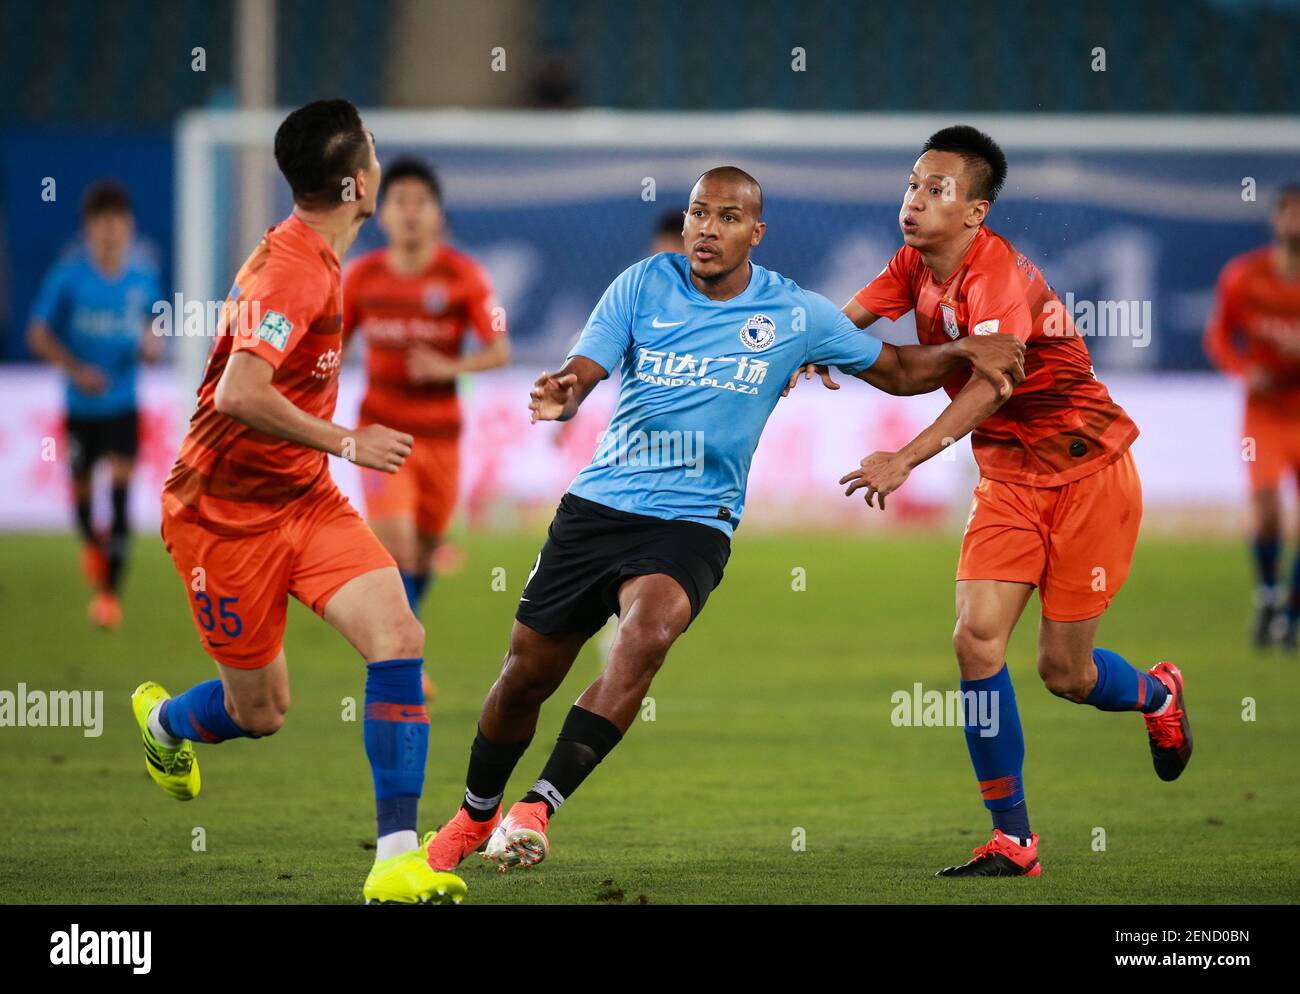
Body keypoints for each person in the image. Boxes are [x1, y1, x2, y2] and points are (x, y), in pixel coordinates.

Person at [423, 165, 1026, 874]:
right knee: (525, 676)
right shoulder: (643, 284)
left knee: (646, 636)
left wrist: (959, 351)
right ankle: (474, 812)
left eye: (728, 217)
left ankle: (538, 807)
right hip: (598, 507)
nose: (708, 229)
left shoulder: (794, 315)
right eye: (698, 214)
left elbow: (896, 368)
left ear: (755, 232)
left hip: (693, 522)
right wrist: (566, 389)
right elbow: (585, 367)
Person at [808, 125, 1192, 877]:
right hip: (1010, 481)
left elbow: (989, 387)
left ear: (976, 212)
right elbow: (841, 322)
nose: (915, 201)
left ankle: (1156, 693)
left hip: (1089, 476)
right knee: (975, 641)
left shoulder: (999, 279)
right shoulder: (911, 263)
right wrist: (790, 356)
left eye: (937, 190)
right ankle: (1013, 839)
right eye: (914, 184)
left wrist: (905, 459)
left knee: (1066, 676)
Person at [130, 100, 465, 905]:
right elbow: (244, 391)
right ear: (357, 182)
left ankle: (394, 860)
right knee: (263, 711)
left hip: (302, 499)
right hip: (221, 517)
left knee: (397, 633)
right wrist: (346, 440)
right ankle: (167, 724)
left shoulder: (317, 250)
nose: (382, 163)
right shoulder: (297, 268)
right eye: (375, 152)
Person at [342, 158, 510, 615]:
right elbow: (332, 348)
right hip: (380, 430)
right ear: (383, 213)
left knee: (423, 550)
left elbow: (500, 350)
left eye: (422, 202)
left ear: (438, 214)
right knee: (395, 545)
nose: (412, 212)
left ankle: (402, 635)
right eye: (401, 202)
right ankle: (402, 656)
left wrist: (448, 366)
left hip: (441, 435)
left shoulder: (466, 276)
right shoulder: (360, 277)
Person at [28, 181, 161, 629]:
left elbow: (153, 325)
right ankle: (90, 542)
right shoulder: (68, 276)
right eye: (101, 223)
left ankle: (108, 597)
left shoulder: (143, 276)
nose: (109, 232)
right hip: (81, 407)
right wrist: (74, 369)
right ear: (89, 228)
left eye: (117, 222)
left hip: (123, 403)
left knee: (121, 495)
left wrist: (150, 344)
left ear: (129, 226)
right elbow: (38, 334)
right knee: (83, 499)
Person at [1204, 184, 1300, 651]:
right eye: (1288, 212)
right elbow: (1219, 336)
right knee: (1266, 508)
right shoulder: (1245, 276)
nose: (1295, 221)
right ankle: (1267, 594)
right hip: (1265, 412)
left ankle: (1291, 615)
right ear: (1275, 220)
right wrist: (1245, 371)